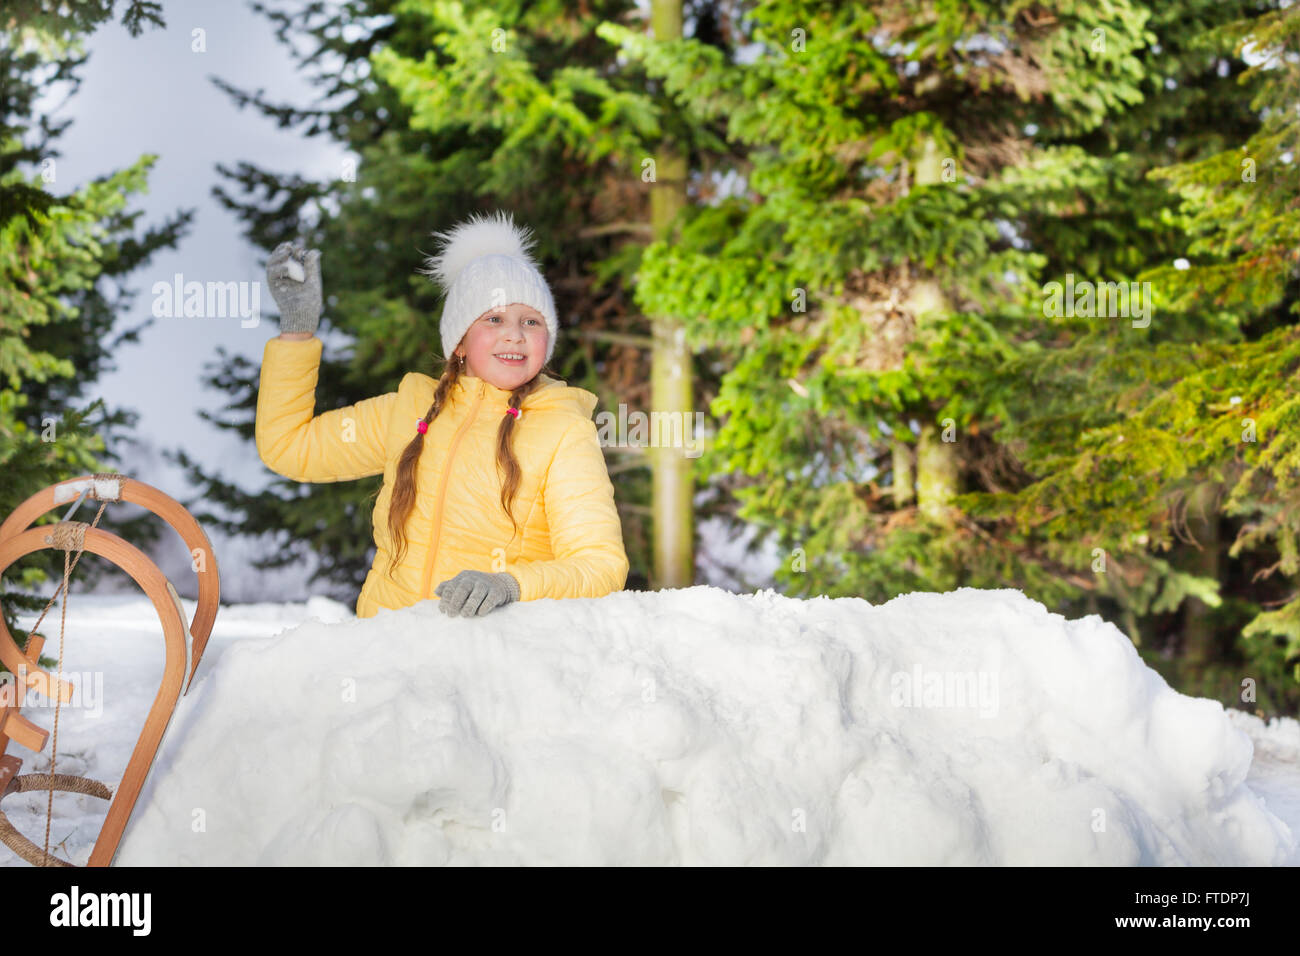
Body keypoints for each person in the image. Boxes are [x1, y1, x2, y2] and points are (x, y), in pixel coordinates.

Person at [255, 210, 630, 618]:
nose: (515, 334)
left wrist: (510, 585)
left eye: (531, 321)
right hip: (386, 650)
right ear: (460, 342)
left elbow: (600, 566)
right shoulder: (410, 411)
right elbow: (288, 447)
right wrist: (297, 332)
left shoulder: (562, 431)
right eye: (494, 318)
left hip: (490, 657)